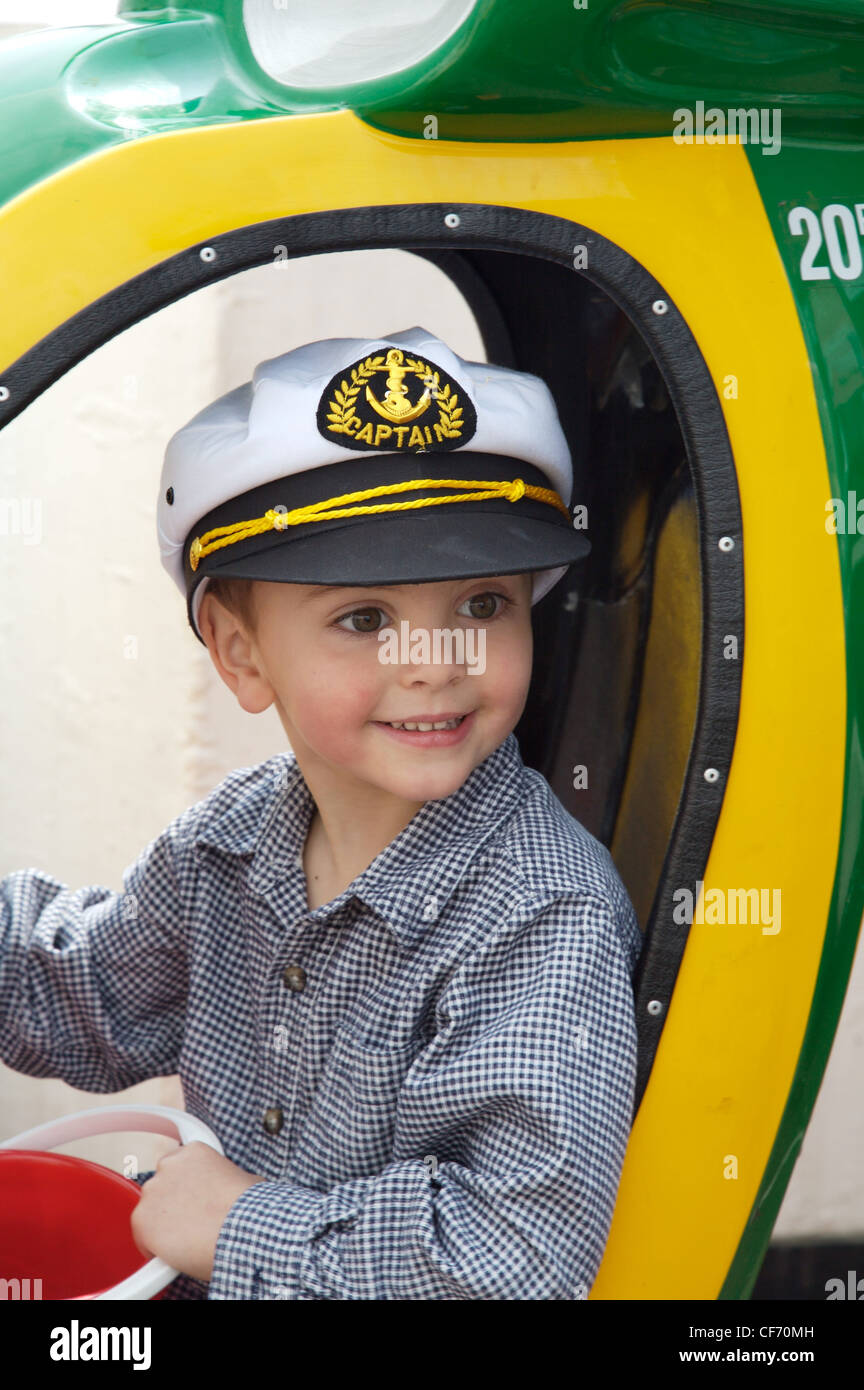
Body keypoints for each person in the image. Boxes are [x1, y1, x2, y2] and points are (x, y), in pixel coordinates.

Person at [0, 327, 642, 1300]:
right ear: (239, 650)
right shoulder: (228, 846)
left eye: (479, 605)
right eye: (365, 619)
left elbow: (513, 1262)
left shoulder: (540, 915)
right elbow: (86, 993)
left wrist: (234, 1224)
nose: (435, 661)